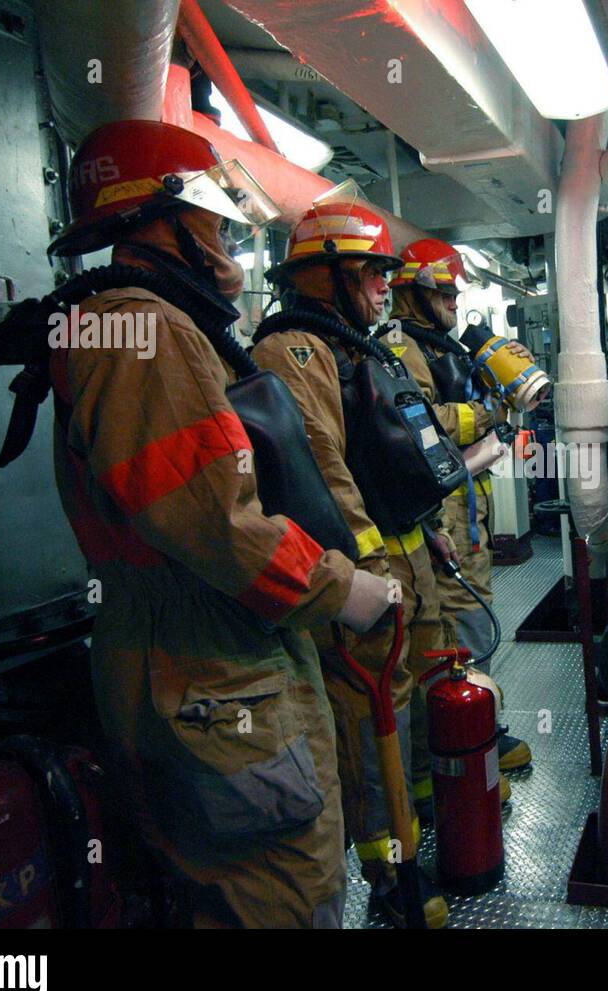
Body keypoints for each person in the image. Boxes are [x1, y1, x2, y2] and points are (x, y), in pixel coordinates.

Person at [47, 120, 392, 928]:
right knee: (282, 895)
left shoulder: (141, 323)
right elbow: (216, 526)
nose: (223, 230)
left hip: (204, 663)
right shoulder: (146, 331)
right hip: (211, 672)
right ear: (162, 217)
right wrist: (343, 590)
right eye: (208, 213)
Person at [253, 198, 474, 928]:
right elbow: (321, 465)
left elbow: (392, 457)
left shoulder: (358, 346)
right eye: (375, 271)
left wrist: (427, 530)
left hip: (407, 555)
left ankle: (417, 826)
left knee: (406, 702)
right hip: (362, 577)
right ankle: (389, 875)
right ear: (332, 273)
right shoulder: (294, 351)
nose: (387, 285)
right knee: (366, 719)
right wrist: (368, 570)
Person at [384, 238, 534, 790]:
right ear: (417, 291)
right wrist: (489, 411)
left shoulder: (437, 347)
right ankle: (449, 754)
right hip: (440, 517)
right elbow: (422, 420)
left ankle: (475, 729)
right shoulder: (399, 346)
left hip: (466, 510)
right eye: (445, 292)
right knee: (456, 629)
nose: (453, 302)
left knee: (469, 622)